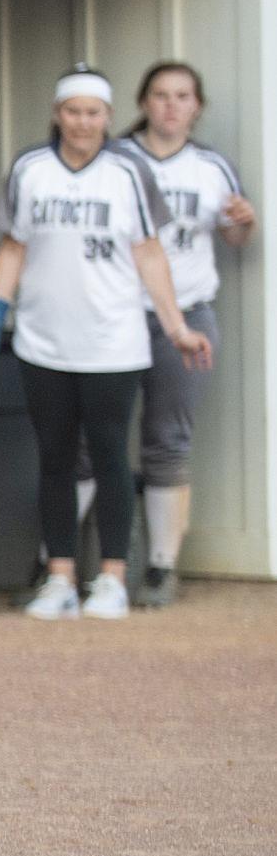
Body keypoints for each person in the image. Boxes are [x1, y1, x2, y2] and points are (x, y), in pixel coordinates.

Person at [0, 65, 208, 620]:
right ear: (58, 115)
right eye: (73, 111)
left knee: (109, 456)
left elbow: (149, 253)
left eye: (93, 113)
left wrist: (176, 326)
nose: (83, 122)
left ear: (108, 117)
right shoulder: (31, 170)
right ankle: (60, 577)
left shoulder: (127, 172)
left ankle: (111, 578)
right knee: (55, 458)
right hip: (43, 342)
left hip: (113, 343)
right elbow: (13, 249)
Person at [108, 62, 254, 606]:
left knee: (168, 440)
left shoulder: (211, 166)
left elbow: (235, 235)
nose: (171, 106)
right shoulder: (117, 159)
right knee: (93, 439)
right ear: (143, 102)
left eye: (182, 96)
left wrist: (244, 222)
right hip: (117, 312)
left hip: (186, 313)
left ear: (197, 106)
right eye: (161, 95)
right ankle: (68, 562)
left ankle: (161, 567)